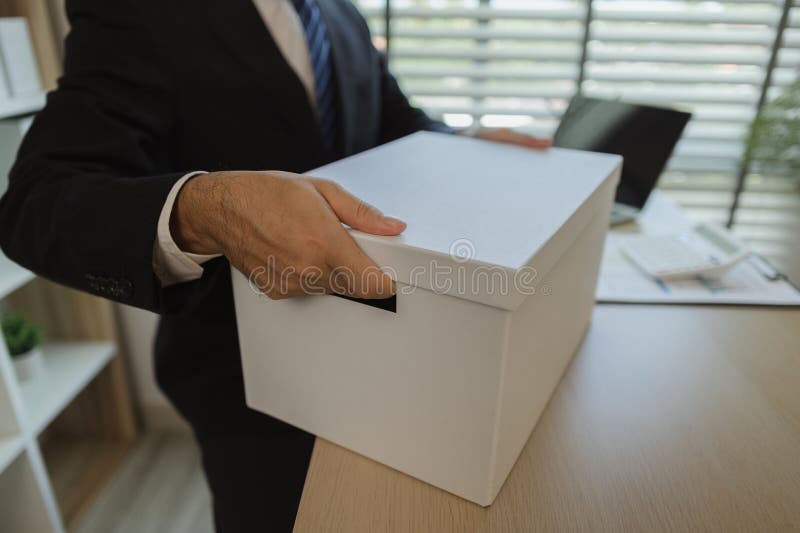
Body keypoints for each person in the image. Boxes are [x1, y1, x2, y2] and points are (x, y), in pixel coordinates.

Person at [0, 0, 549, 530]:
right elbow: (34, 203)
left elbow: (395, 119)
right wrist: (205, 209)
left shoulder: (340, 13)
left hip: (391, 358)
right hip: (244, 386)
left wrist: (463, 141)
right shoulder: (141, 8)